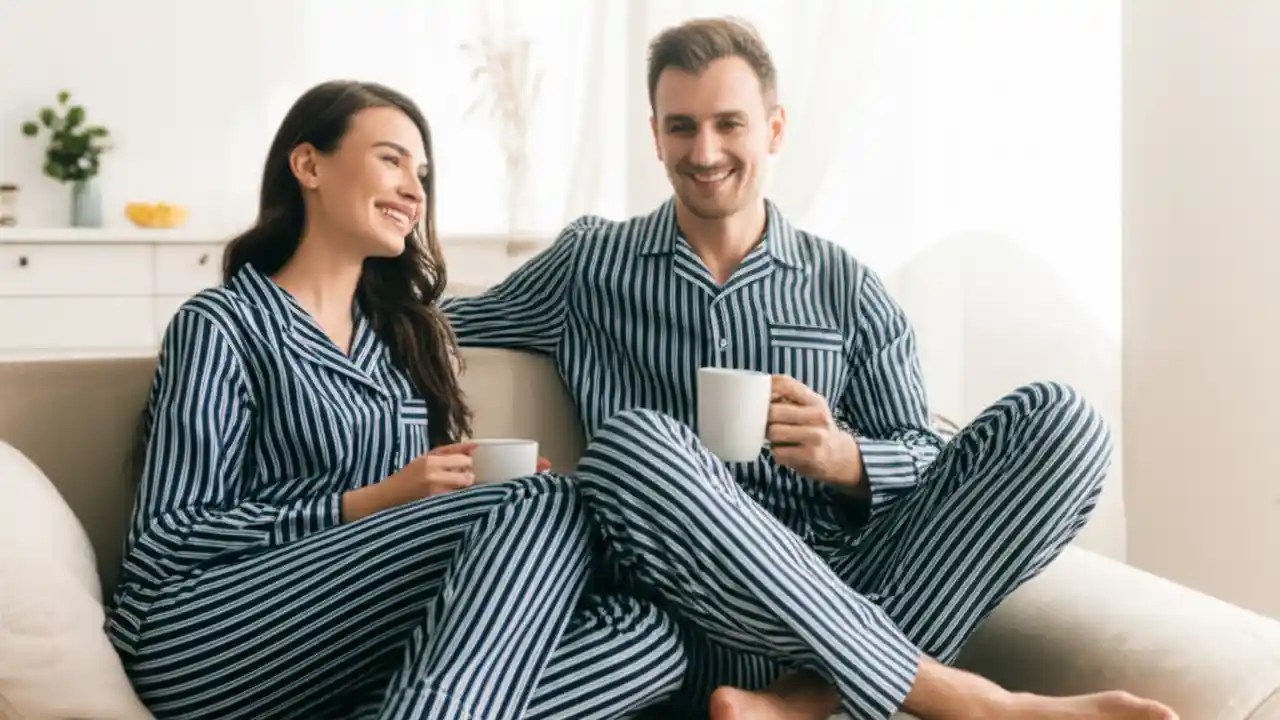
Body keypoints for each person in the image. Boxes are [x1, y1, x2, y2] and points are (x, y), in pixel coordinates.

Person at [442, 17, 1179, 720]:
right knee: (633, 444)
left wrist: (847, 458)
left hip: (841, 582)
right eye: (681, 126)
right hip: (678, 614)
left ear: (775, 129)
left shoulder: (847, 288)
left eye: (729, 123)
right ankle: (958, 698)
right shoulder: (589, 265)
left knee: (1067, 422)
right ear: (655, 137)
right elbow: (433, 331)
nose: (704, 151)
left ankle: (806, 697)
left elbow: (926, 453)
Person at [105, 80, 691, 720]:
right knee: (544, 499)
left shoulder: (405, 338)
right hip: (205, 636)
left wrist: (461, 500)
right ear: (308, 166)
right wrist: (374, 502)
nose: (415, 190)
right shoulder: (223, 324)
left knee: (646, 639)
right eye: (391, 159)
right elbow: (166, 541)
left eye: (423, 173)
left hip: (348, 652)